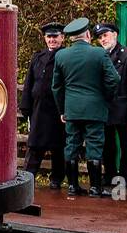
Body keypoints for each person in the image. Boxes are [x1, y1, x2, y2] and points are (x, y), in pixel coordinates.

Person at [51, 17, 120, 197]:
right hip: (95, 109)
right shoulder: (99, 53)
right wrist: (105, 98)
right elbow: (114, 79)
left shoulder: (61, 55)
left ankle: (73, 186)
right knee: (94, 146)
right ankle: (95, 188)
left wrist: (62, 110)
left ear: (70, 38)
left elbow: (56, 87)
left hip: (72, 110)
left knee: (71, 145)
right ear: (88, 34)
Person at [94, 22, 127, 193]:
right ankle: (110, 175)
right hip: (105, 109)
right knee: (107, 145)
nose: (102, 39)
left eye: (105, 35)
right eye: (100, 37)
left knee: (125, 145)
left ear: (115, 34)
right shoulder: (100, 56)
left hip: (123, 109)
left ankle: (125, 178)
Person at [20, 22, 66, 189]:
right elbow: (29, 82)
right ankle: (28, 178)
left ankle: (57, 179)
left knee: (58, 146)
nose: (52, 40)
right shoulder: (37, 57)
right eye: (49, 37)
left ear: (62, 37)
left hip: (57, 109)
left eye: (55, 36)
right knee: (35, 144)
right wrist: (25, 106)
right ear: (45, 38)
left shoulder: (65, 56)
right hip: (38, 109)